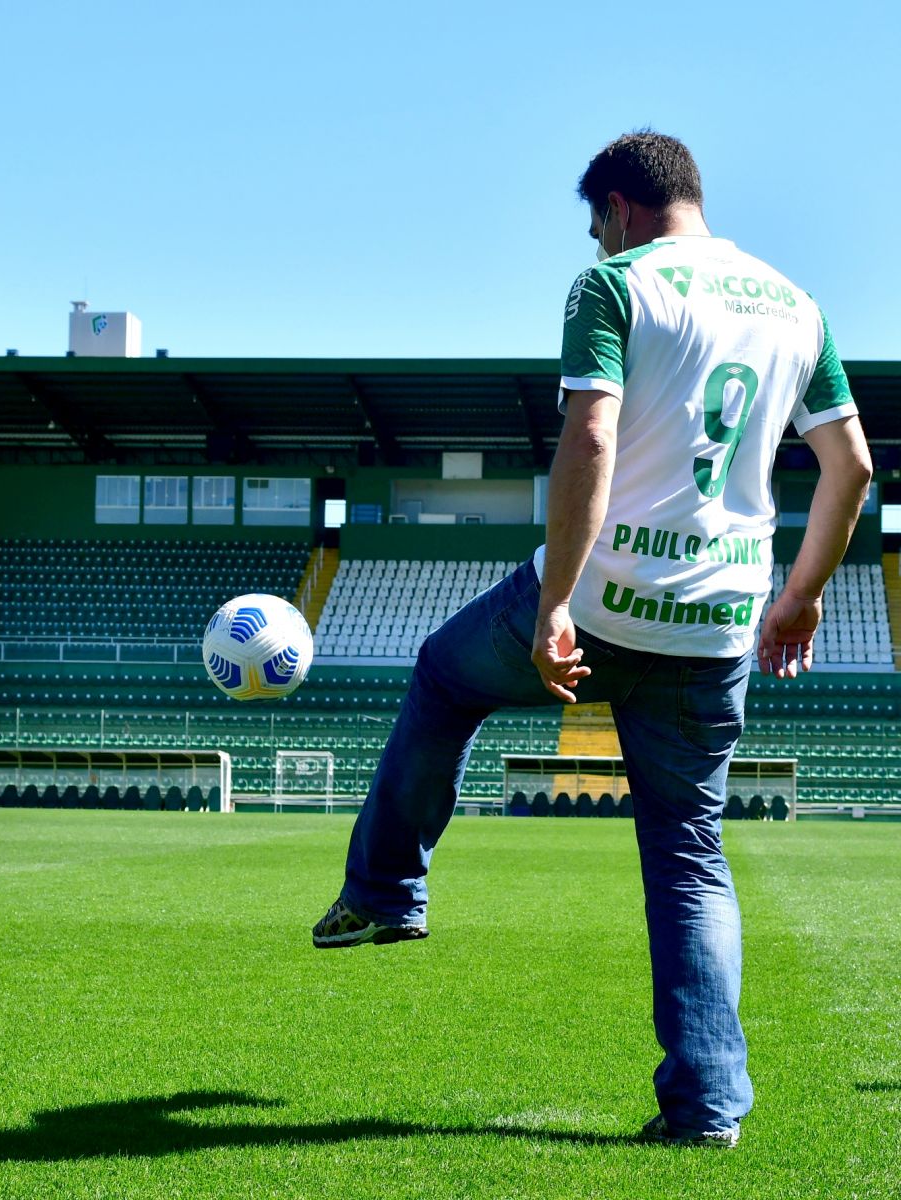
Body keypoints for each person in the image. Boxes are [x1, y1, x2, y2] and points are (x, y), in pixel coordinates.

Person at [311, 132, 872, 1147]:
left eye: (593, 223)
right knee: (690, 857)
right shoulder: (800, 306)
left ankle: (388, 888)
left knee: (443, 678)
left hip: (608, 599)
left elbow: (594, 435)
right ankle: (706, 1109)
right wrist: (802, 597)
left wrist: (557, 602)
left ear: (618, 208)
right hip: (718, 624)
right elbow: (853, 468)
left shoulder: (612, 284)